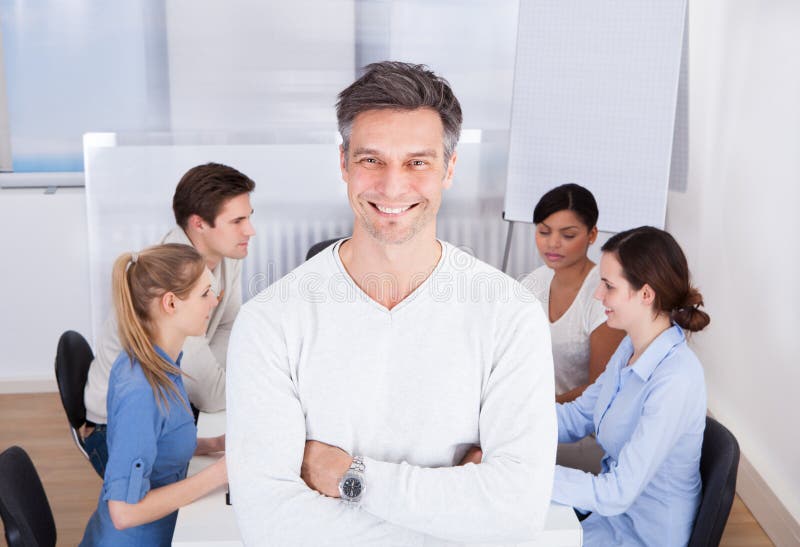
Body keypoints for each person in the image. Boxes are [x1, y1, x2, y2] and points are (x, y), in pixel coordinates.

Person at [226, 61, 557, 545]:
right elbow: (268, 524)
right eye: (371, 160)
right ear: (343, 163)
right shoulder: (270, 322)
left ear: (449, 168)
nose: (393, 186)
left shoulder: (510, 315)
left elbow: (517, 511)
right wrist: (456, 507)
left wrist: (348, 477)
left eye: (417, 162)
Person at [83, 162, 255, 476]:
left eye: (249, 217)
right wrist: (218, 382)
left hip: (170, 413)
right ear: (199, 223)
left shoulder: (227, 255)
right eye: (237, 221)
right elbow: (212, 395)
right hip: (118, 430)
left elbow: (229, 327)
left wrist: (213, 377)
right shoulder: (172, 279)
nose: (250, 231)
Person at [551, 226, 710, 547]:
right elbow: (577, 415)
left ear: (646, 294)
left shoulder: (675, 380)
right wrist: (500, 426)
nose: (598, 294)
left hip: (643, 535)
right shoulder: (629, 348)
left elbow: (617, 493)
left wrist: (524, 477)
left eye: (608, 286)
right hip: (609, 520)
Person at [80, 244, 228, 546]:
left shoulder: (159, 361)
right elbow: (123, 512)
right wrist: (221, 474)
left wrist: (215, 444)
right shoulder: (141, 390)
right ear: (171, 303)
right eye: (204, 294)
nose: (214, 302)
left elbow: (159, 439)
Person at [522, 183, 625, 404]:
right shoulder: (534, 282)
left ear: (592, 235)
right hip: (531, 410)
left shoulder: (604, 296)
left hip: (578, 423)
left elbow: (600, 389)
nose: (553, 243)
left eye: (568, 235)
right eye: (544, 232)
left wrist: (539, 409)